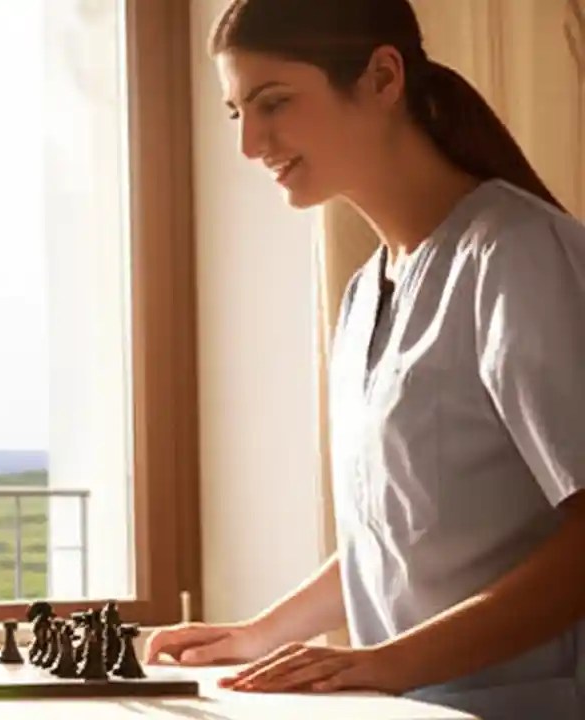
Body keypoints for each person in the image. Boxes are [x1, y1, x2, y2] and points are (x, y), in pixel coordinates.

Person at [145, 1, 585, 718]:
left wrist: (383, 664)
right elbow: (400, 537)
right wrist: (259, 636)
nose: (251, 144)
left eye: (274, 103)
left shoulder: (517, 256)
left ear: (383, 77)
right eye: (236, 114)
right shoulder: (364, 295)